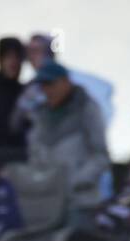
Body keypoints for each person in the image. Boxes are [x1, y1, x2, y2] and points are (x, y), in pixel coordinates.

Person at [27, 61, 110, 226]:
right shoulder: (39, 115)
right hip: (47, 203)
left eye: (51, 84)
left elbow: (101, 156)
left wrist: (78, 181)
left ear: (65, 82)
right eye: (43, 85)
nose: (47, 90)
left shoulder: (87, 108)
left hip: (82, 203)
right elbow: (34, 156)